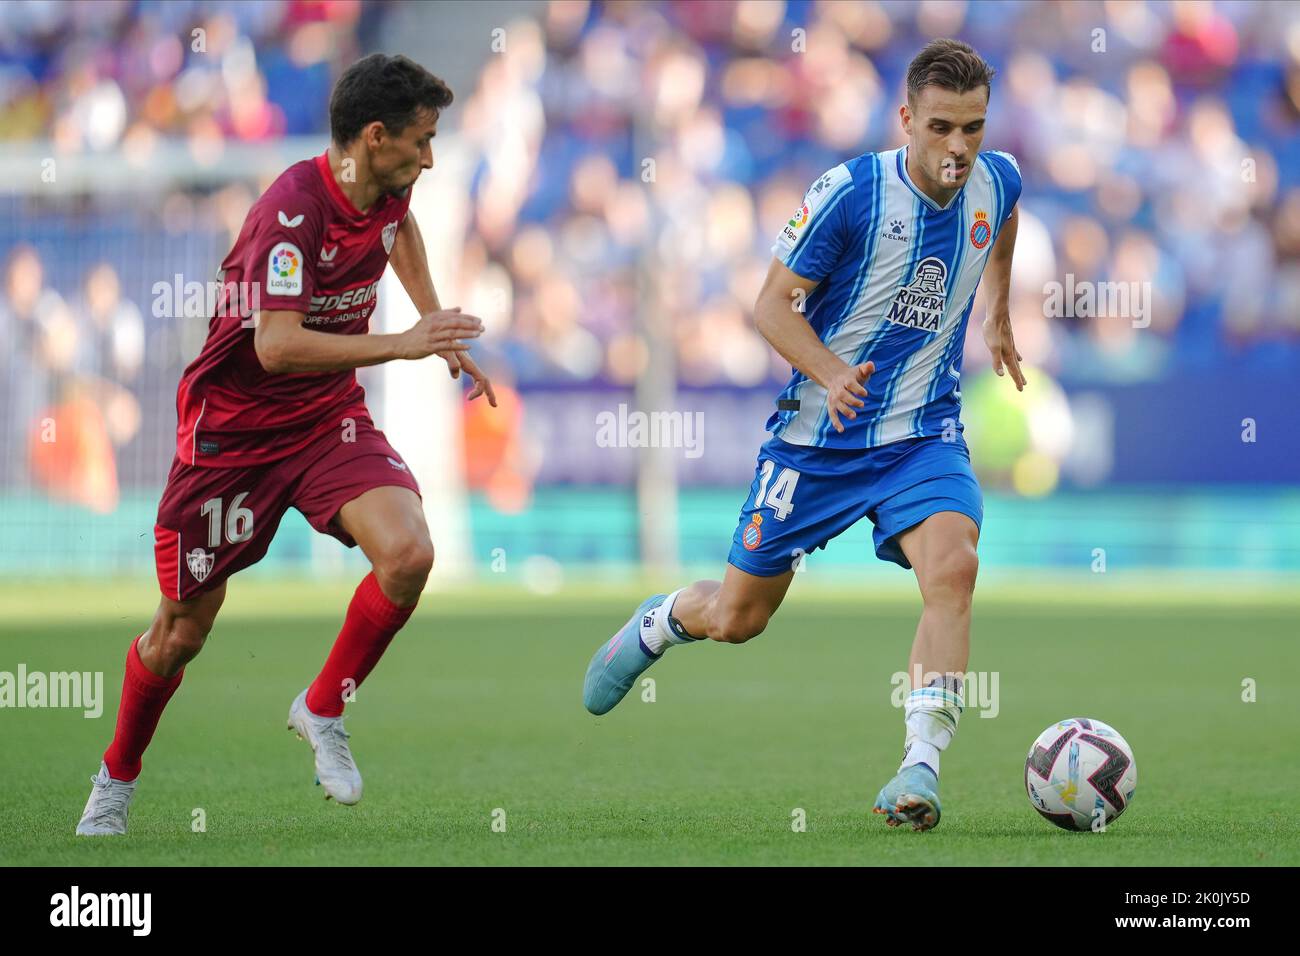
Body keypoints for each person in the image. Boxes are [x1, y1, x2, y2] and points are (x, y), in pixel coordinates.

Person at [583, 39, 1025, 832]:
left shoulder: (999, 178)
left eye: (973, 127)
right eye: (941, 127)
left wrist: (997, 311)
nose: (959, 146)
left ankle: (919, 766)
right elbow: (769, 306)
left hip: (922, 434)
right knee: (739, 619)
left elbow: (1005, 219)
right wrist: (829, 373)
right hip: (818, 441)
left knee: (953, 567)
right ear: (906, 120)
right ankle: (662, 619)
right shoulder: (852, 194)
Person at [77, 54, 496, 835]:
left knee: (409, 554)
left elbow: (398, 224)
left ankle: (322, 707)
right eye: (422, 140)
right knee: (179, 634)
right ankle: (116, 779)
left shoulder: (387, 183)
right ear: (376, 137)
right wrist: (403, 343)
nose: (430, 158)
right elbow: (274, 346)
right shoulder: (291, 212)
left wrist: (435, 326)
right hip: (234, 435)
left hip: (323, 418)